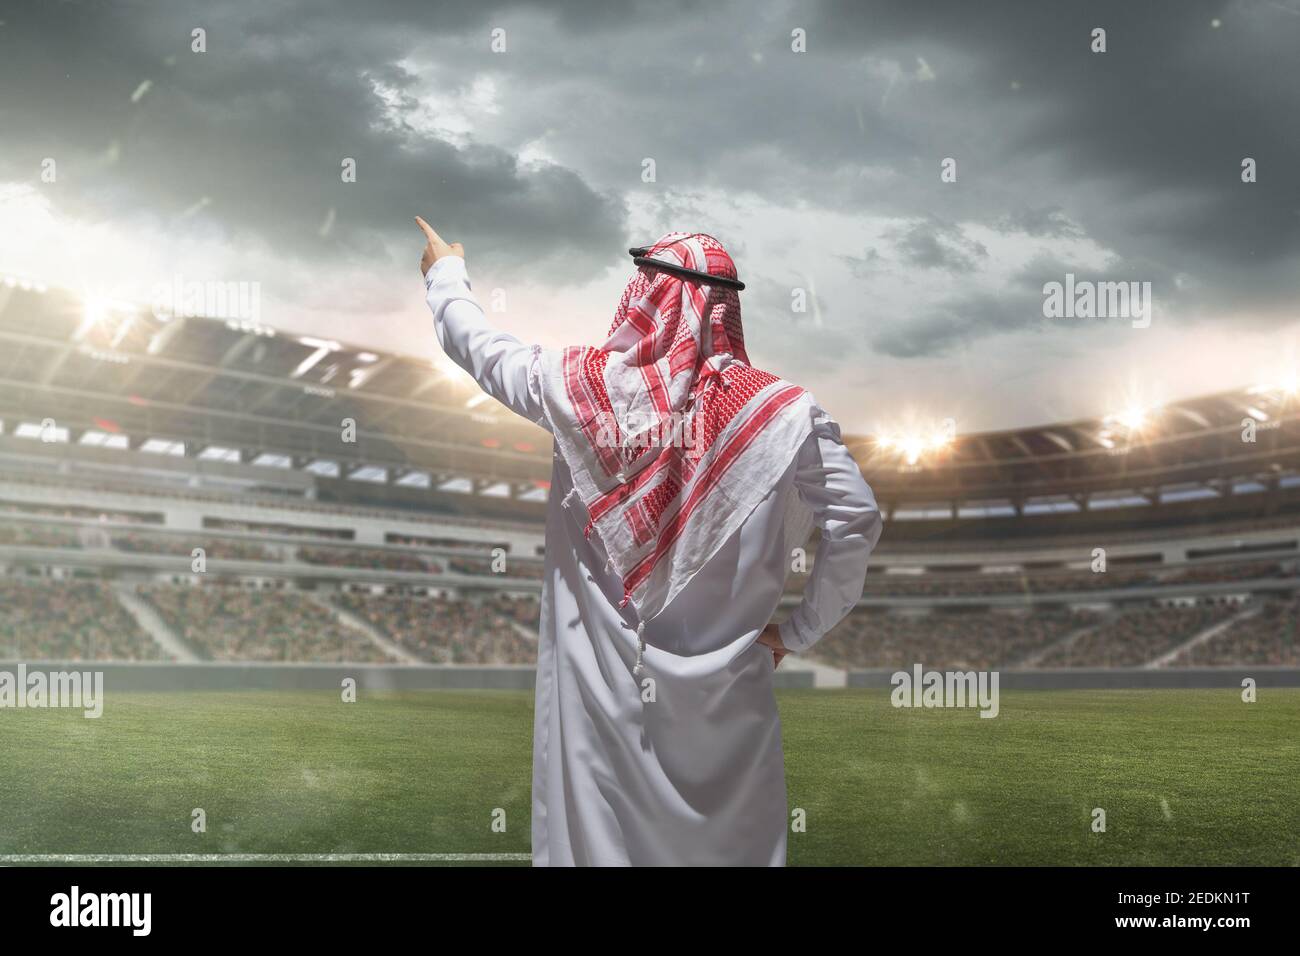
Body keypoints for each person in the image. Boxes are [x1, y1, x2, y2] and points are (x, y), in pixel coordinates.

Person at [418, 220, 882, 866]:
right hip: (731, 715)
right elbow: (857, 518)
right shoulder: (783, 415)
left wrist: (445, 273)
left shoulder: (577, 389)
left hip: (603, 716)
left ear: (644, 295)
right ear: (726, 308)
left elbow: (480, 349)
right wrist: (797, 632)